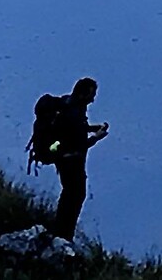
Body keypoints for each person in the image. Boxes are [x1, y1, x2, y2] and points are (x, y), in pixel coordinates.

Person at [51, 77, 109, 242]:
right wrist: (96, 137)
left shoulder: (70, 106)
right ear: (84, 94)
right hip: (71, 161)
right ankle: (63, 235)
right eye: (92, 94)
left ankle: (61, 232)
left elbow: (74, 131)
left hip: (64, 159)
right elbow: (78, 143)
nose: (93, 98)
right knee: (74, 195)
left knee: (69, 194)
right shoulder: (75, 112)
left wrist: (91, 128)